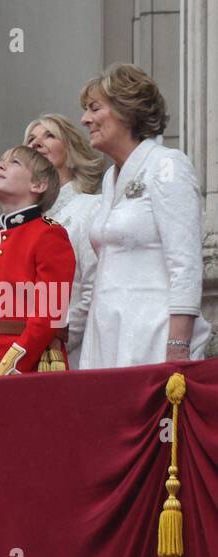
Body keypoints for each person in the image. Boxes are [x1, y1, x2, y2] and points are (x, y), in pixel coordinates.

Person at [79, 63, 207, 368]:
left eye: (94, 108)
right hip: (106, 334)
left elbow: (185, 264)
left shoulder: (168, 165)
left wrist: (177, 348)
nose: (85, 120)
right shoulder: (110, 178)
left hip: (153, 335)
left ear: (126, 110)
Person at [0, 147, 76, 377]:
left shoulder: (49, 234)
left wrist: (14, 362)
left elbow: (48, 313)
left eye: (14, 162)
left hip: (31, 364)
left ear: (38, 185)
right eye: (0, 161)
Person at [24, 113, 105, 367]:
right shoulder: (23, 222)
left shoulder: (92, 207)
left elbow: (94, 288)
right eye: (30, 139)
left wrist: (53, 341)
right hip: (23, 355)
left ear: (70, 151)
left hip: (72, 353)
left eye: (49, 135)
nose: (37, 143)